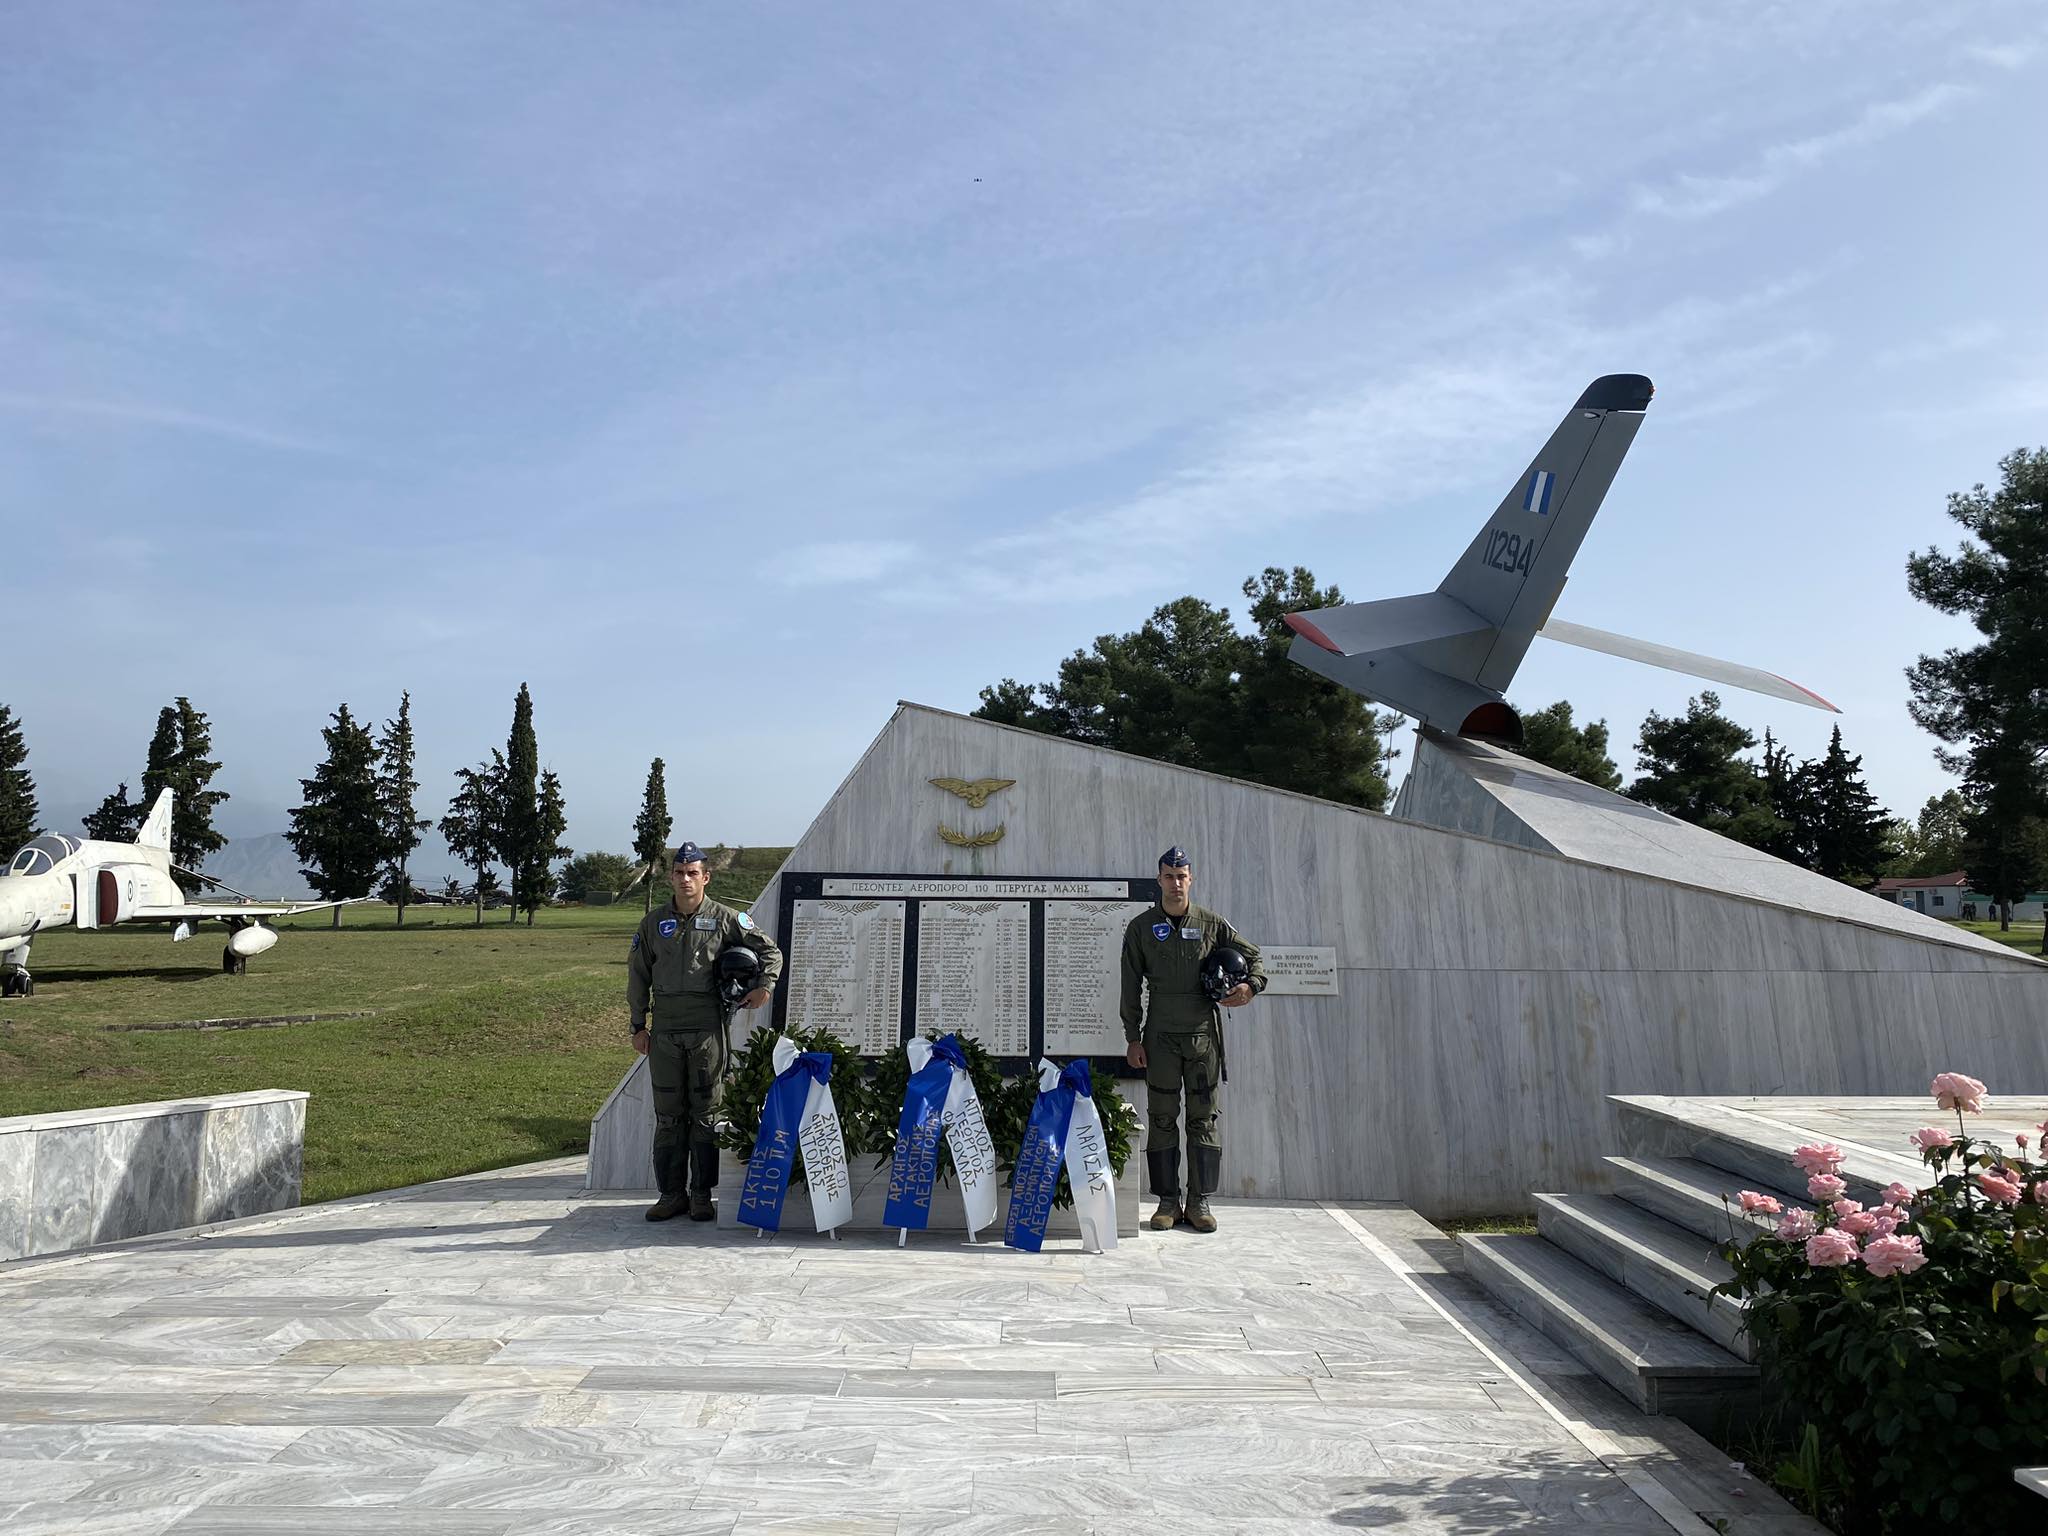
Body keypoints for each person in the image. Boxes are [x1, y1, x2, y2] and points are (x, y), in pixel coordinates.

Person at [627, 841, 782, 1222]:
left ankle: (700, 1195)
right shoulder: (652, 923)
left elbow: (770, 952)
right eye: (679, 873)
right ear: (670, 877)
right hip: (664, 1030)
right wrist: (637, 1024)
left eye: (692, 873)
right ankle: (670, 1194)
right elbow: (638, 975)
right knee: (668, 1115)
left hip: (708, 1029)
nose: (685, 879)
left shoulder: (728, 918)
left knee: (706, 1114)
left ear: (706, 877)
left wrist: (764, 986)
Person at [1119, 845, 1264, 1234]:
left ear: (1191, 879)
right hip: (1160, 1037)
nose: (1176, 883)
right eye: (1169, 876)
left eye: (1182, 876)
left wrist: (1251, 986)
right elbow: (1130, 986)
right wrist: (1133, 1038)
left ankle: (1199, 1201)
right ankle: (1167, 1201)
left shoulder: (1214, 924)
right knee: (1162, 1118)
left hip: (1203, 1038)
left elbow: (1255, 958)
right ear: (1159, 880)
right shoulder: (1141, 928)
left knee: (1203, 1119)